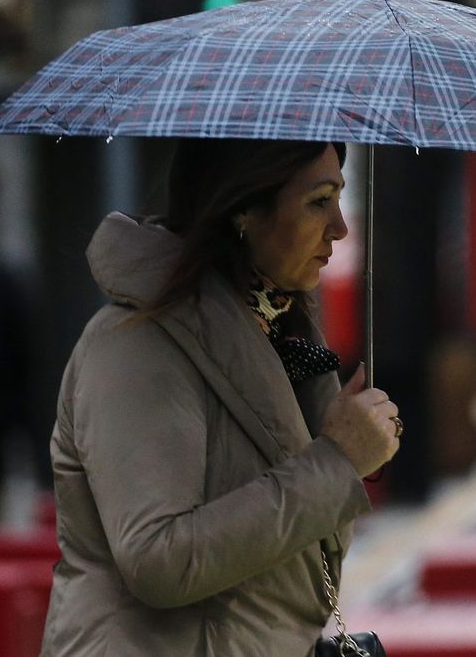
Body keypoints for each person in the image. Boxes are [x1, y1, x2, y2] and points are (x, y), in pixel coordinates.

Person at [40, 139, 400, 656]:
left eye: (339, 199)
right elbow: (159, 559)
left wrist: (347, 450)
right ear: (243, 210)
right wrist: (337, 460)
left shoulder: (281, 337)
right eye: (319, 202)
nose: (340, 228)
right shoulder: (136, 345)